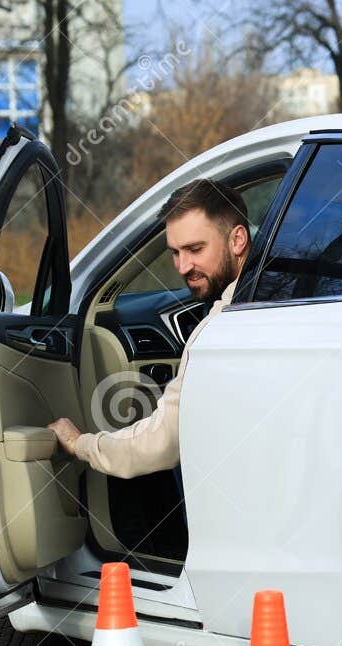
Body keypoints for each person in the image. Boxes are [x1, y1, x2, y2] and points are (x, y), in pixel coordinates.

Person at [47, 179, 250, 477]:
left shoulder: (228, 320)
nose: (182, 266)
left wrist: (80, 444)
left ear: (237, 240)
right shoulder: (277, 286)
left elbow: (162, 442)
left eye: (195, 249)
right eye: (176, 252)